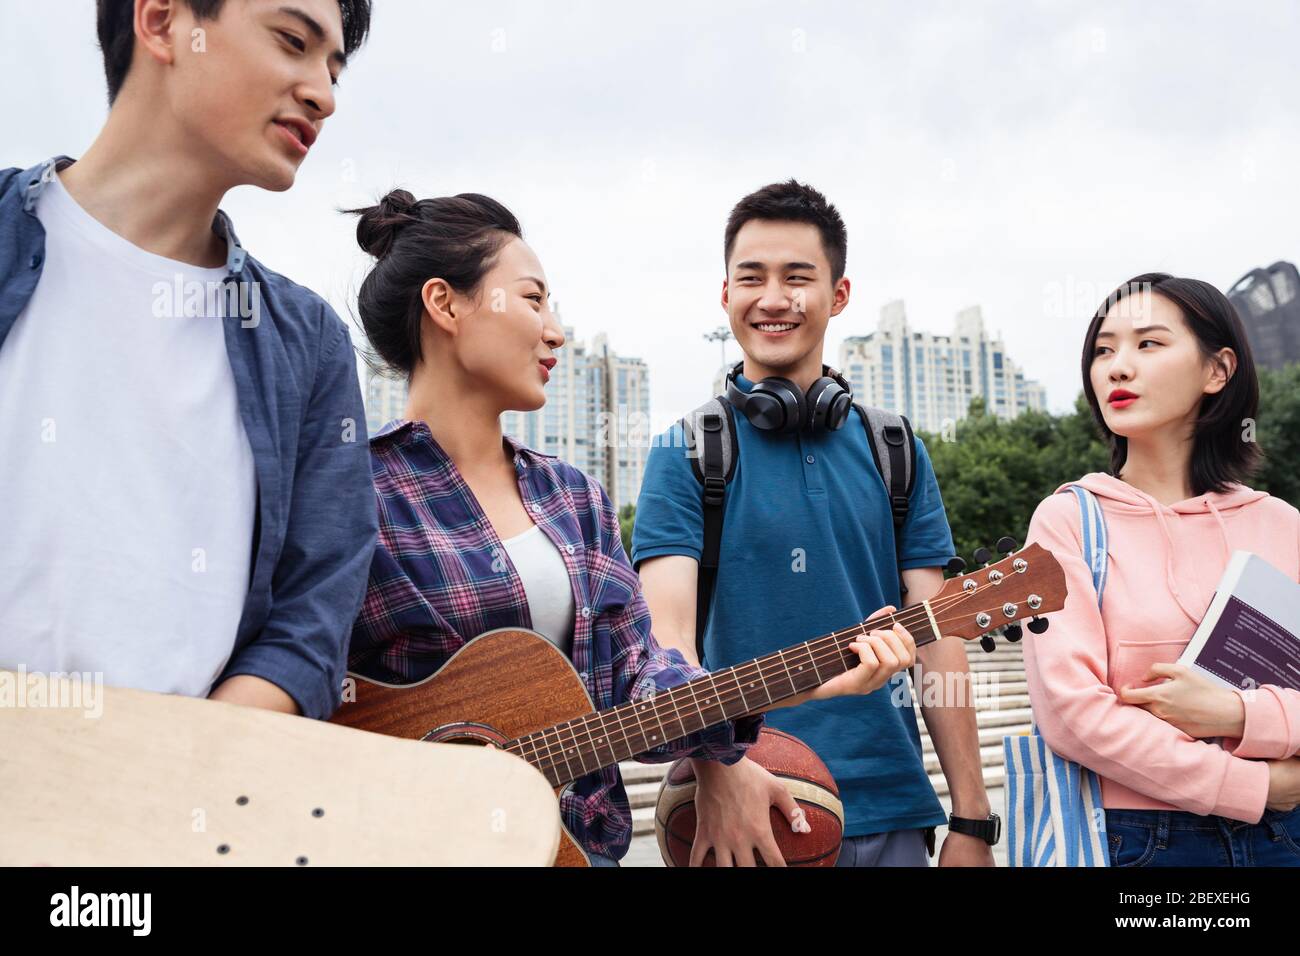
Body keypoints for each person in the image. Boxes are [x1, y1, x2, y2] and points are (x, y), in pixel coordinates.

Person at [344, 188, 918, 865]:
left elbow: (642, 687)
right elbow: (289, 687)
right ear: (445, 305)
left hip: (573, 848)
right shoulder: (350, 492)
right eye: (532, 300)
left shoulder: (574, 500)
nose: (555, 329)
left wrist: (814, 675)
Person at [0, 0, 377, 719]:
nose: (324, 96)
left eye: (334, 69)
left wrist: (186, 773)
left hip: (176, 810)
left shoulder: (309, 344)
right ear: (162, 20)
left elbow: (312, 617)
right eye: (293, 41)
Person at [634, 180, 996, 867]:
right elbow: (668, 640)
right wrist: (719, 765)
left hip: (894, 811)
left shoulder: (898, 451)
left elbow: (939, 640)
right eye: (752, 277)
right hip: (744, 808)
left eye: (797, 278)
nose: (773, 298)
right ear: (724, 296)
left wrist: (972, 820)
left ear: (838, 296)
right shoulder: (681, 452)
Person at [1023, 273, 1300, 866]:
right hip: (1139, 839)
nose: (1118, 368)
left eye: (1148, 344)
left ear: (1217, 370)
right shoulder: (1068, 519)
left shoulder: (1281, 525)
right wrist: (1254, 787)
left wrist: (1237, 714)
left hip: (1285, 835)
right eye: (1104, 350)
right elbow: (1073, 714)